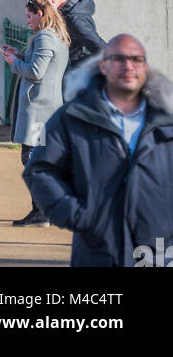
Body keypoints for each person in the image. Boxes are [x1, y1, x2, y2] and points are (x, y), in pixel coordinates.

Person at [25, 33, 173, 267]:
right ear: (103, 65)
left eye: (137, 59)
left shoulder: (167, 123)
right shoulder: (70, 117)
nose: (128, 66)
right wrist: (76, 214)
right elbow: (40, 170)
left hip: (158, 254)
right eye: (119, 58)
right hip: (98, 250)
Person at [1, 0, 70, 227]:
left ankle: (42, 210)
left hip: (40, 108)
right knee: (35, 157)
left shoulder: (44, 37)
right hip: (45, 106)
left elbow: (37, 72)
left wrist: (14, 63)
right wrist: (19, 56)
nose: (28, 21)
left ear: (40, 14)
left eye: (30, 16)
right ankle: (42, 209)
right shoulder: (53, 36)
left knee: (31, 157)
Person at [29, 0, 106, 69]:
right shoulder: (63, 4)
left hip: (79, 72)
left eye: (40, 7)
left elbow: (101, 48)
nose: (39, 13)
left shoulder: (74, 21)